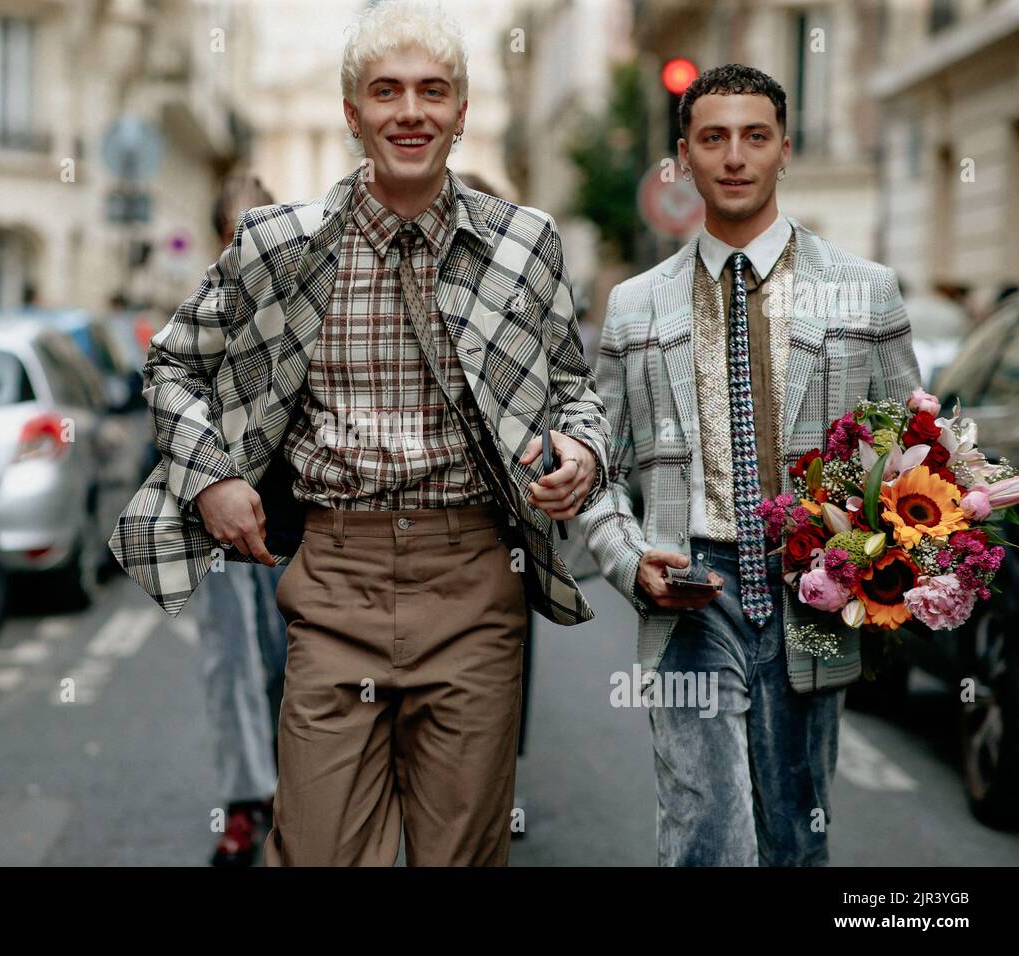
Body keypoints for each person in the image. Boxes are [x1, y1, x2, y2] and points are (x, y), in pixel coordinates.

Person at [109, 0, 610, 866]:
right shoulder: (280, 244)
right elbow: (171, 363)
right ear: (352, 113)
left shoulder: (524, 244)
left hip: (475, 587)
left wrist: (581, 452)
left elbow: (576, 393)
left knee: (461, 855)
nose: (409, 111)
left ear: (461, 111)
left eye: (432, 91)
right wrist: (212, 479)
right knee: (319, 850)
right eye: (386, 91)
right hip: (333, 584)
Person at [578, 64, 921, 866]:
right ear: (685, 158)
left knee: (795, 839)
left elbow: (913, 458)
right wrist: (629, 560)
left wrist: (886, 564)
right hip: (691, 592)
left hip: (815, 596)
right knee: (704, 833)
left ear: (784, 150)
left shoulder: (866, 293)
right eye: (714, 138)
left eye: (754, 137)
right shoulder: (635, 304)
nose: (735, 156)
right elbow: (597, 463)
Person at [193, 173, 289, 867]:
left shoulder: (305, 312)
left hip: (293, 525)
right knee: (231, 662)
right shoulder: (198, 318)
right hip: (223, 527)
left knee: (289, 663)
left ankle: (295, 792)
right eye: (236, 231)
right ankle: (246, 803)